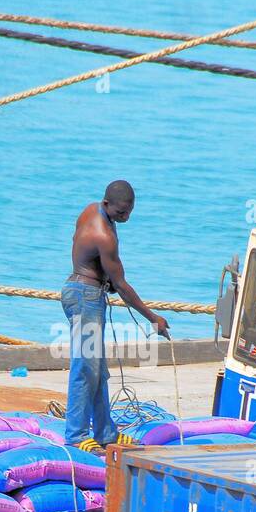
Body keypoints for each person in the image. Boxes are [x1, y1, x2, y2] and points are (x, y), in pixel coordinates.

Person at [62, 180, 170, 452]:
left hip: (84, 291)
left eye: (130, 211)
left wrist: (98, 275)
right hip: (85, 298)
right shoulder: (105, 236)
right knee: (85, 369)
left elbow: (86, 255)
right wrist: (152, 317)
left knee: (97, 369)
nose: (126, 217)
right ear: (108, 204)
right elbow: (121, 285)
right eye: (122, 213)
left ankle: (105, 432)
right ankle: (75, 435)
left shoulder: (91, 209)